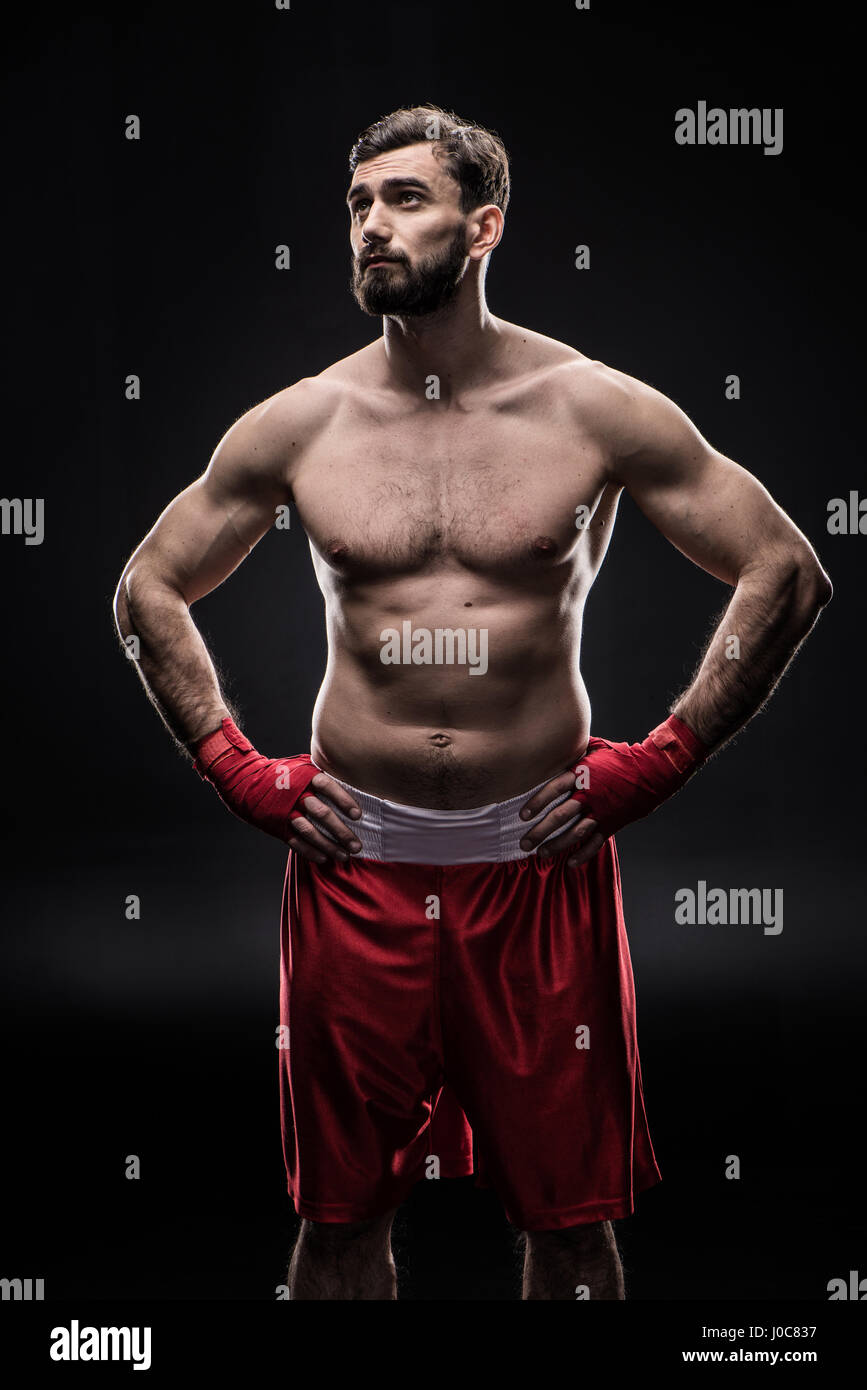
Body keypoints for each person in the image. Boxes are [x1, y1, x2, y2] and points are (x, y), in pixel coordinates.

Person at [112, 104, 832, 1300]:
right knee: (338, 1227)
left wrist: (660, 757)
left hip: (535, 870)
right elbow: (148, 585)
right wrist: (237, 768)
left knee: (571, 1227)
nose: (372, 228)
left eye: (405, 199)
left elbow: (786, 569)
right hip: (356, 871)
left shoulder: (593, 407)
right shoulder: (304, 422)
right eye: (357, 206)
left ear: (484, 224)